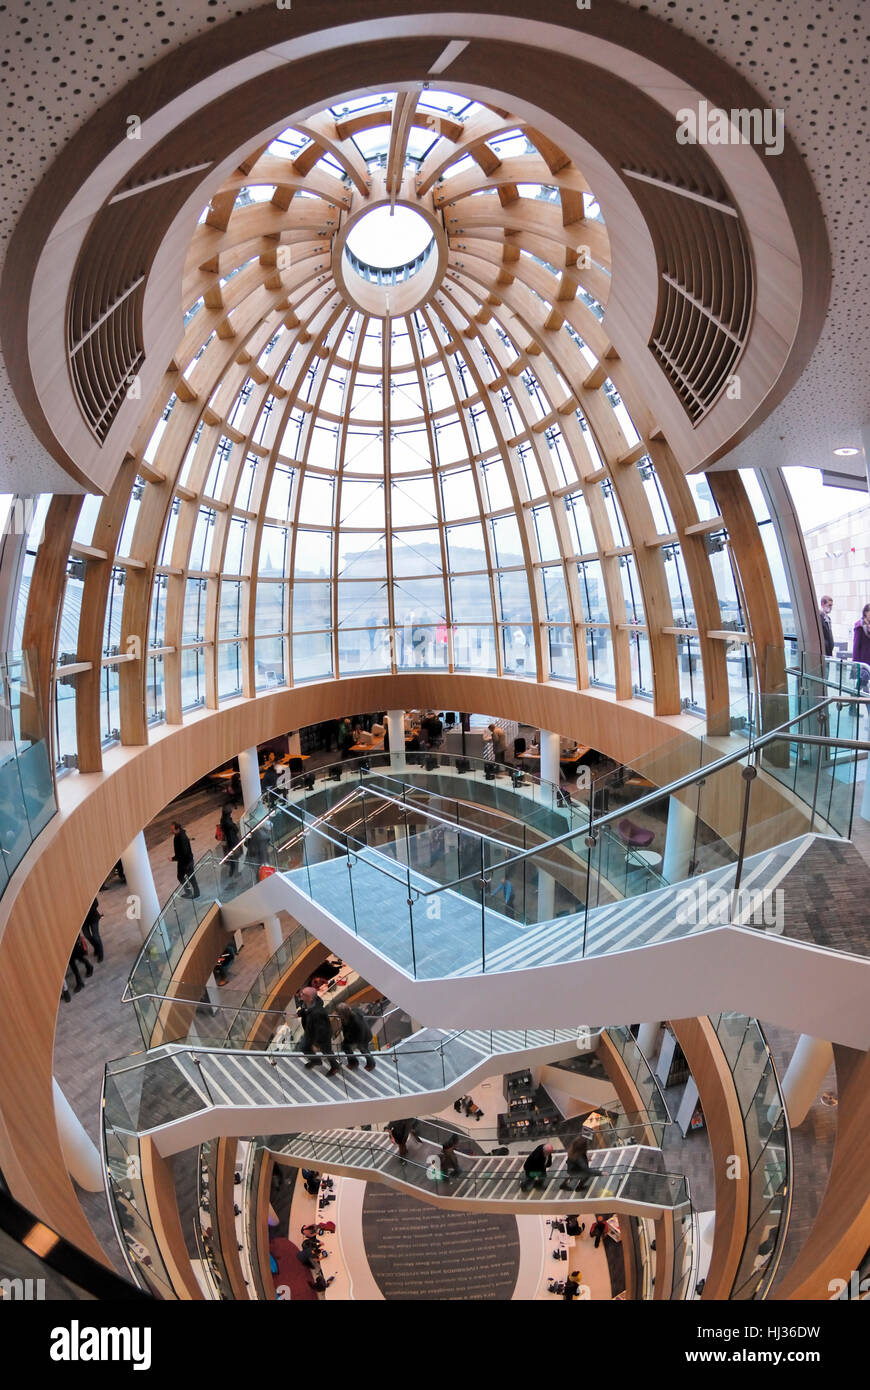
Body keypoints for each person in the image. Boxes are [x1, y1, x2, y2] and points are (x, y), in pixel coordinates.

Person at [296, 986, 339, 1076]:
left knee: (326, 1051)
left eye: (303, 994)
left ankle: (335, 1066)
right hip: (310, 1031)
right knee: (304, 1047)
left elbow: (321, 1030)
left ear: (310, 998)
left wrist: (316, 1044)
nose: (301, 994)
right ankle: (316, 1061)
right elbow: (305, 1011)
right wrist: (298, 1014)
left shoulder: (318, 1013)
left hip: (322, 1036)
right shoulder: (306, 1002)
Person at [335, 1003, 376, 1070]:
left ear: (344, 1013)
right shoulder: (346, 1017)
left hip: (363, 1037)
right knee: (345, 1046)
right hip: (352, 1035)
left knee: (364, 1050)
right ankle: (353, 1062)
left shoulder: (355, 1020)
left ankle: (371, 1064)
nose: (338, 1015)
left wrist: (358, 1044)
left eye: (339, 1014)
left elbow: (361, 1032)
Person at [170, 821, 199, 898]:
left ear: (177, 829)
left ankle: (195, 893)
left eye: (173, 829)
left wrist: (173, 858)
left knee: (189, 877)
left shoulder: (181, 838)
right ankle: (190, 892)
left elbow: (183, 852)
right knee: (181, 876)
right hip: (184, 861)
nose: (171, 831)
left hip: (186, 862)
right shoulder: (178, 835)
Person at [219, 803, 241, 878]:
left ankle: (231, 872)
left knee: (232, 857)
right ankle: (235, 873)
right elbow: (236, 830)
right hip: (233, 842)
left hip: (229, 841)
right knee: (235, 857)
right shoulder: (229, 823)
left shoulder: (223, 820)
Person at [852, 603, 870, 691]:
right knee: (863, 684)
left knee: (861, 686)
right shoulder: (859, 626)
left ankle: (852, 702)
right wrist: (855, 664)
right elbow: (856, 646)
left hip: (868, 661)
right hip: (863, 662)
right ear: (866, 613)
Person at [82, 898, 104, 963]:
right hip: (83, 920)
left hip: (93, 917)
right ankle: (96, 947)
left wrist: (87, 910)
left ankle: (101, 953)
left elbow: (96, 903)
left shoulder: (87, 892)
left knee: (96, 936)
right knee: (87, 935)